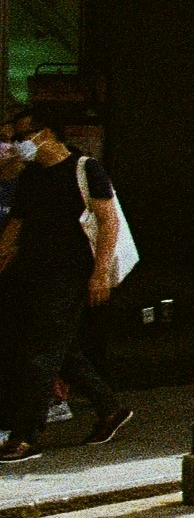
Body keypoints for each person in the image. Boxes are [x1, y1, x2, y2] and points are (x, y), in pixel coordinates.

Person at [0, 113, 132, 461]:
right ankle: (110, 407)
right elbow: (17, 224)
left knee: (40, 354)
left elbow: (107, 220)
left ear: (45, 134)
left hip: (69, 275)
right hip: (31, 274)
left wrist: (100, 273)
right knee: (56, 347)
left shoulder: (86, 169)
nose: (16, 145)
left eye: (20, 137)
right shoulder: (31, 176)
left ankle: (25, 434)